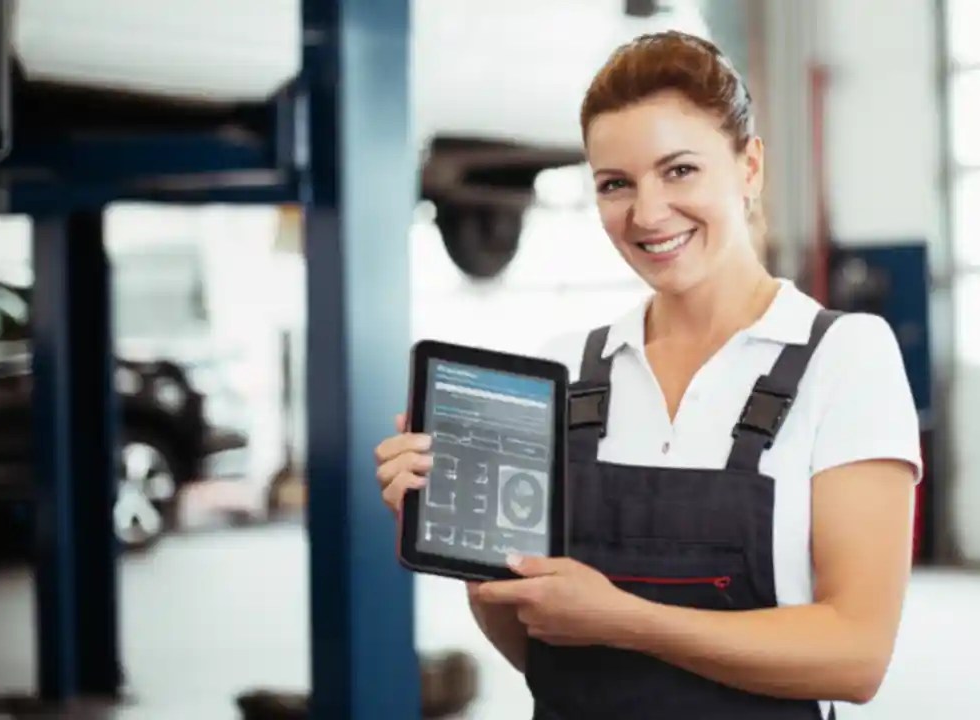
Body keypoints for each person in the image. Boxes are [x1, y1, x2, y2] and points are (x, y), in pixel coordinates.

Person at [375, 30, 923, 719]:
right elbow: (542, 654)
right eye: (615, 184)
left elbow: (855, 655)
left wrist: (623, 619)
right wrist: (468, 542)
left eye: (680, 170)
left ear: (749, 167)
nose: (647, 213)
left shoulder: (845, 358)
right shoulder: (569, 369)